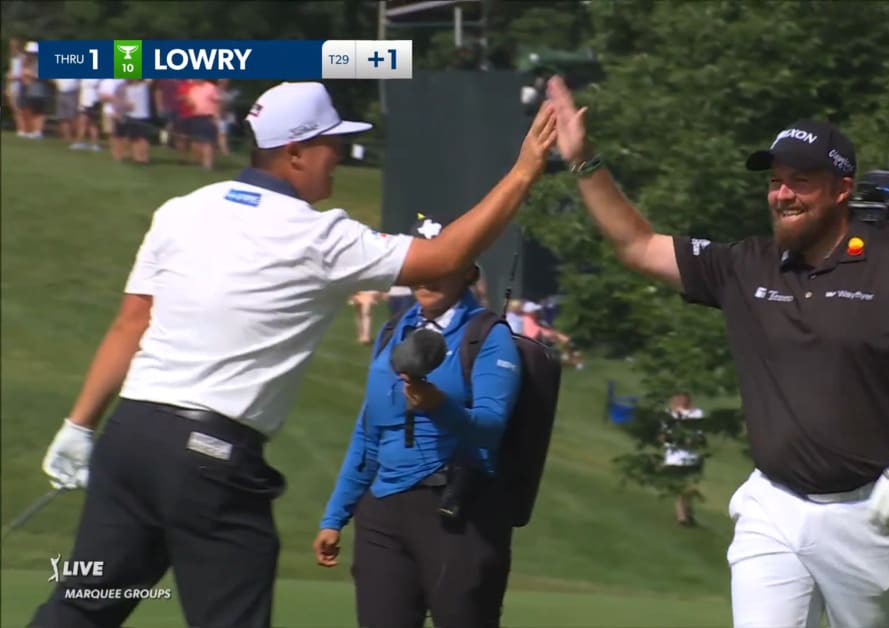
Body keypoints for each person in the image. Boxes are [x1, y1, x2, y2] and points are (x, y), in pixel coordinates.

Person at [30, 82, 556, 628]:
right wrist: (522, 172)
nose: (339, 156)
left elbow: (131, 322)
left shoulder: (182, 211)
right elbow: (446, 255)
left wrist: (80, 423)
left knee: (83, 607)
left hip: (129, 437)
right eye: (331, 144)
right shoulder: (321, 237)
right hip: (210, 459)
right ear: (295, 152)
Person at [546, 76, 889, 628]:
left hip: (873, 510)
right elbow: (637, 245)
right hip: (774, 505)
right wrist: (583, 162)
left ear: (842, 189)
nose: (783, 194)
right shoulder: (746, 265)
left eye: (801, 181)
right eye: (775, 182)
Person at [315, 213, 522, 628]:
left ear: (467, 271)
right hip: (383, 514)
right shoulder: (393, 331)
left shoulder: (487, 336)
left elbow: (490, 426)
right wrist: (336, 516)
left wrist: (437, 405)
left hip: (456, 512)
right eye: (421, 267)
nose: (426, 278)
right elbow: (369, 432)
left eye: (440, 267)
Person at [661, 392, 706, 526]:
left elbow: (699, 434)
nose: (681, 399)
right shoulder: (669, 414)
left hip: (691, 457)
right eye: (679, 397)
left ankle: (688, 511)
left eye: (684, 396)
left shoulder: (696, 413)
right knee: (680, 486)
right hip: (675, 457)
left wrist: (691, 439)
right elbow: (664, 436)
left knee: (691, 487)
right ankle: (682, 517)